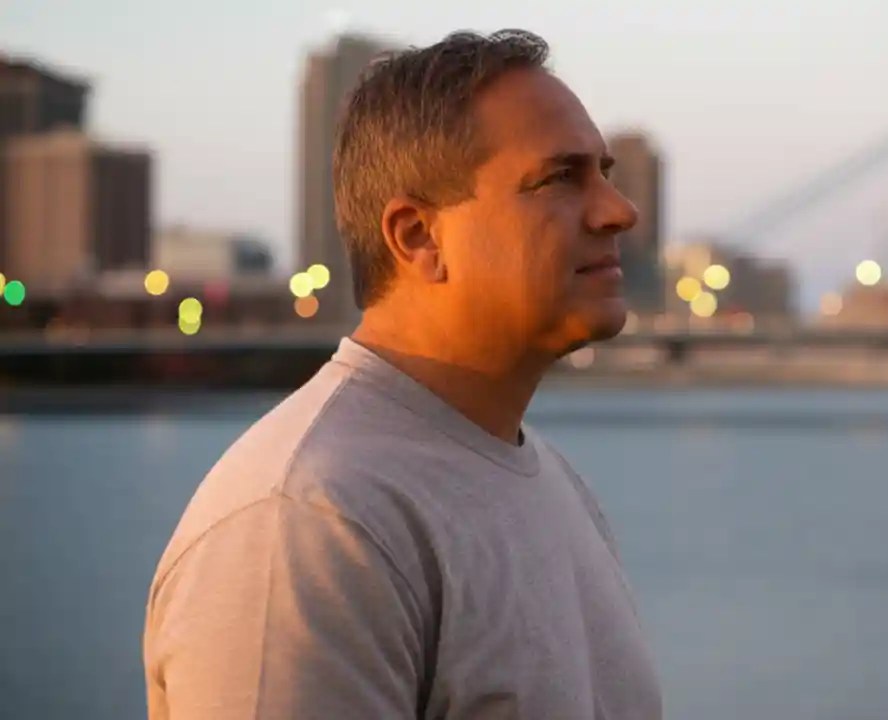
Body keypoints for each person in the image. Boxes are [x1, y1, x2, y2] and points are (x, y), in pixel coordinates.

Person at [143, 29, 663, 719]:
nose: (619, 211)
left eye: (606, 172)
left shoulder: (555, 486)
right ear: (418, 236)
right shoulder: (307, 521)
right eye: (560, 178)